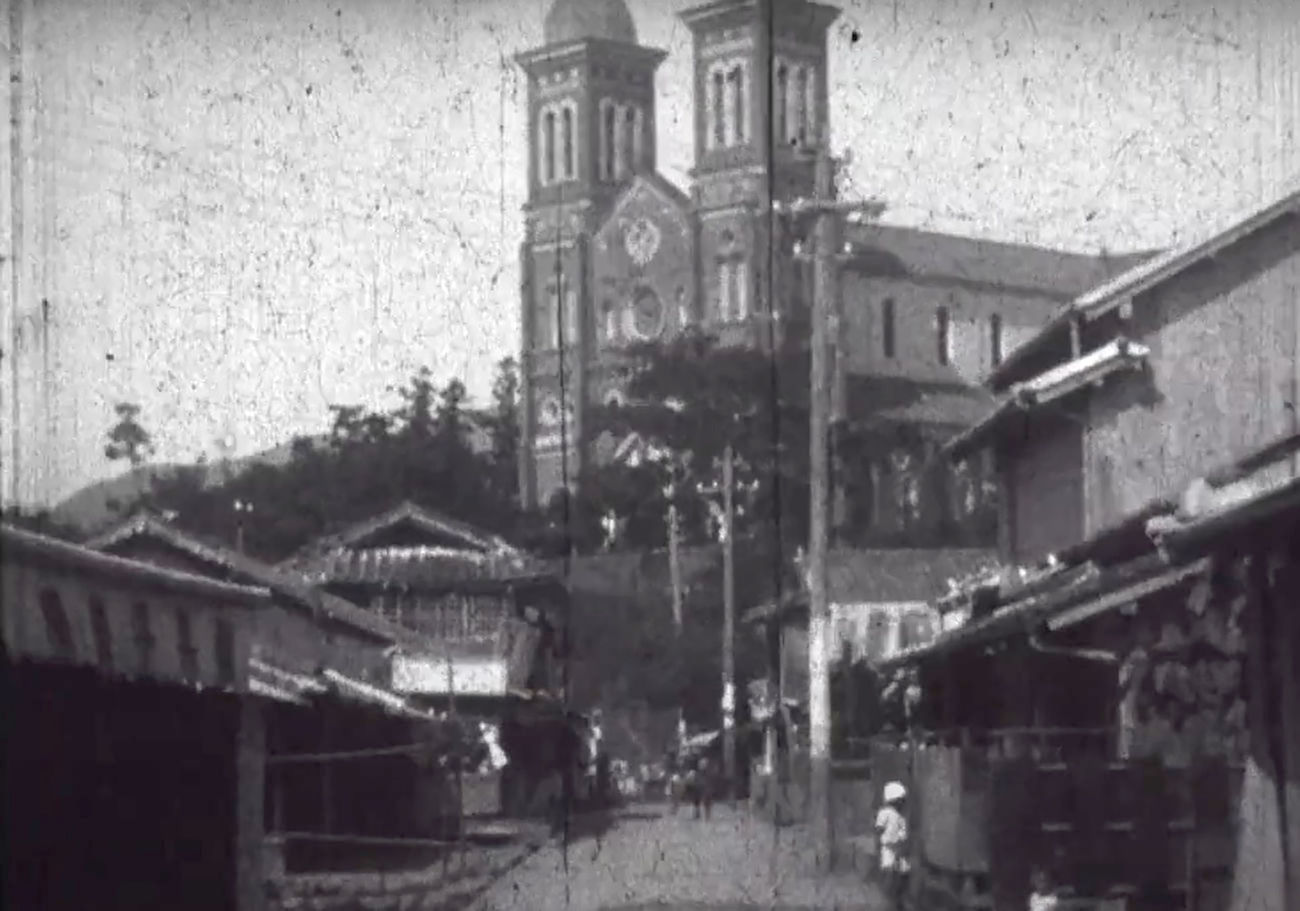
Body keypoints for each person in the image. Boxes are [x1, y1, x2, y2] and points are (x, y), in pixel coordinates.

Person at [875, 781, 910, 909]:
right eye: (900, 800)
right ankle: (889, 902)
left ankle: (899, 900)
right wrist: (886, 839)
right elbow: (879, 828)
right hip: (889, 848)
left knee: (903, 873)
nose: (902, 803)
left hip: (899, 849)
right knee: (890, 873)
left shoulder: (901, 816)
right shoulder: (885, 813)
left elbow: (903, 833)